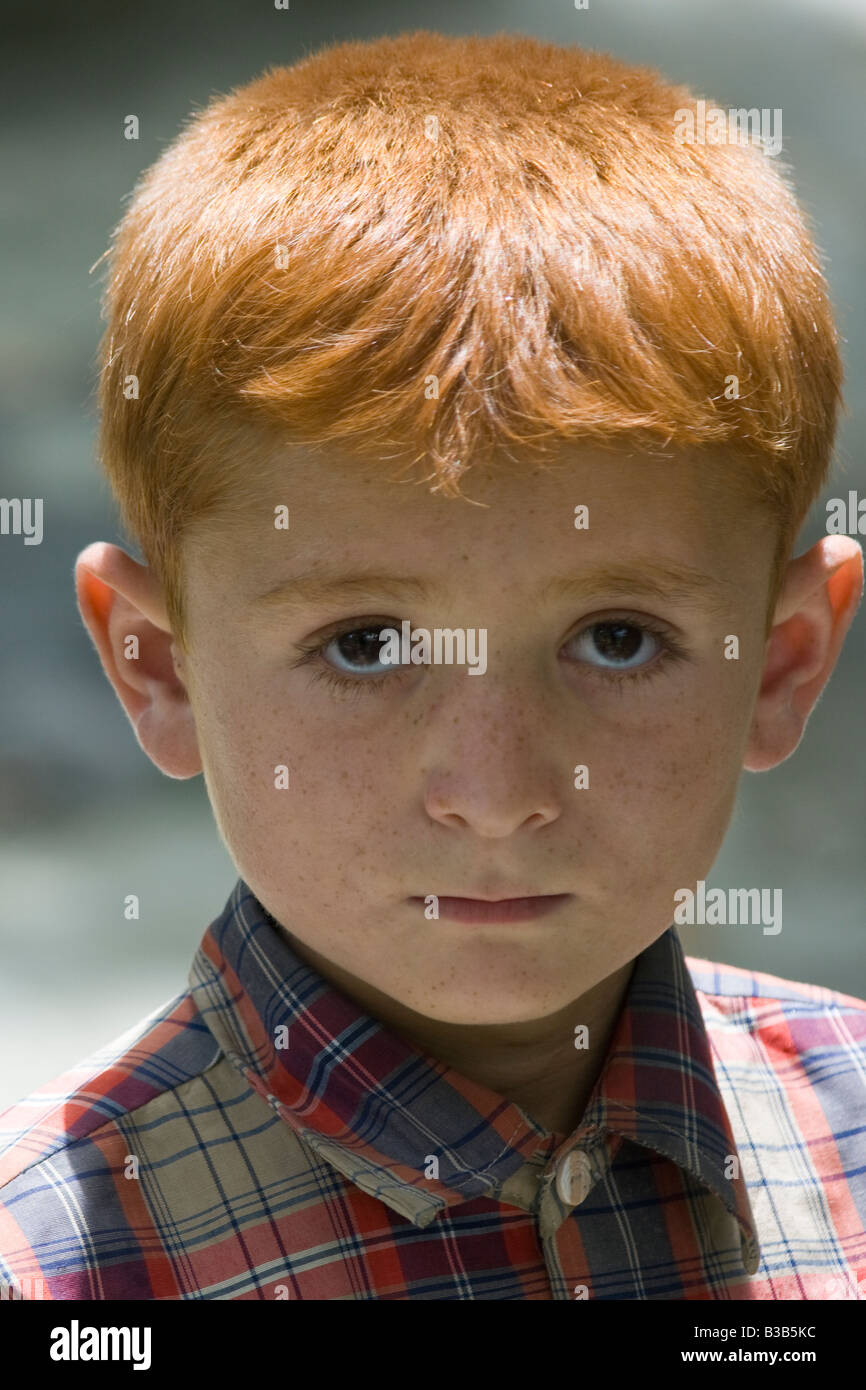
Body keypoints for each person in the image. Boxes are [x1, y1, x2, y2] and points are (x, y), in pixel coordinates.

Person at [1, 30, 863, 1301]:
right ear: (156, 669)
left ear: (783, 662)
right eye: (364, 646)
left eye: (616, 639)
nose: (495, 788)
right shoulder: (65, 1278)